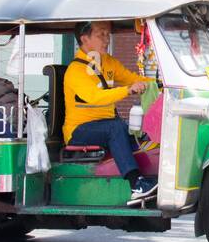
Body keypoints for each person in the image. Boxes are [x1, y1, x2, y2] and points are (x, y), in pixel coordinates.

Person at [63, 20, 157, 204]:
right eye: (100, 35)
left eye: (107, 34)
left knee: (137, 132)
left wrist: (158, 84)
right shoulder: (75, 70)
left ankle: (151, 175)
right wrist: (128, 90)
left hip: (106, 125)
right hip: (79, 131)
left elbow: (133, 78)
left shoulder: (108, 62)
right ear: (85, 39)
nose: (107, 39)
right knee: (116, 128)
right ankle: (136, 184)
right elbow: (95, 97)